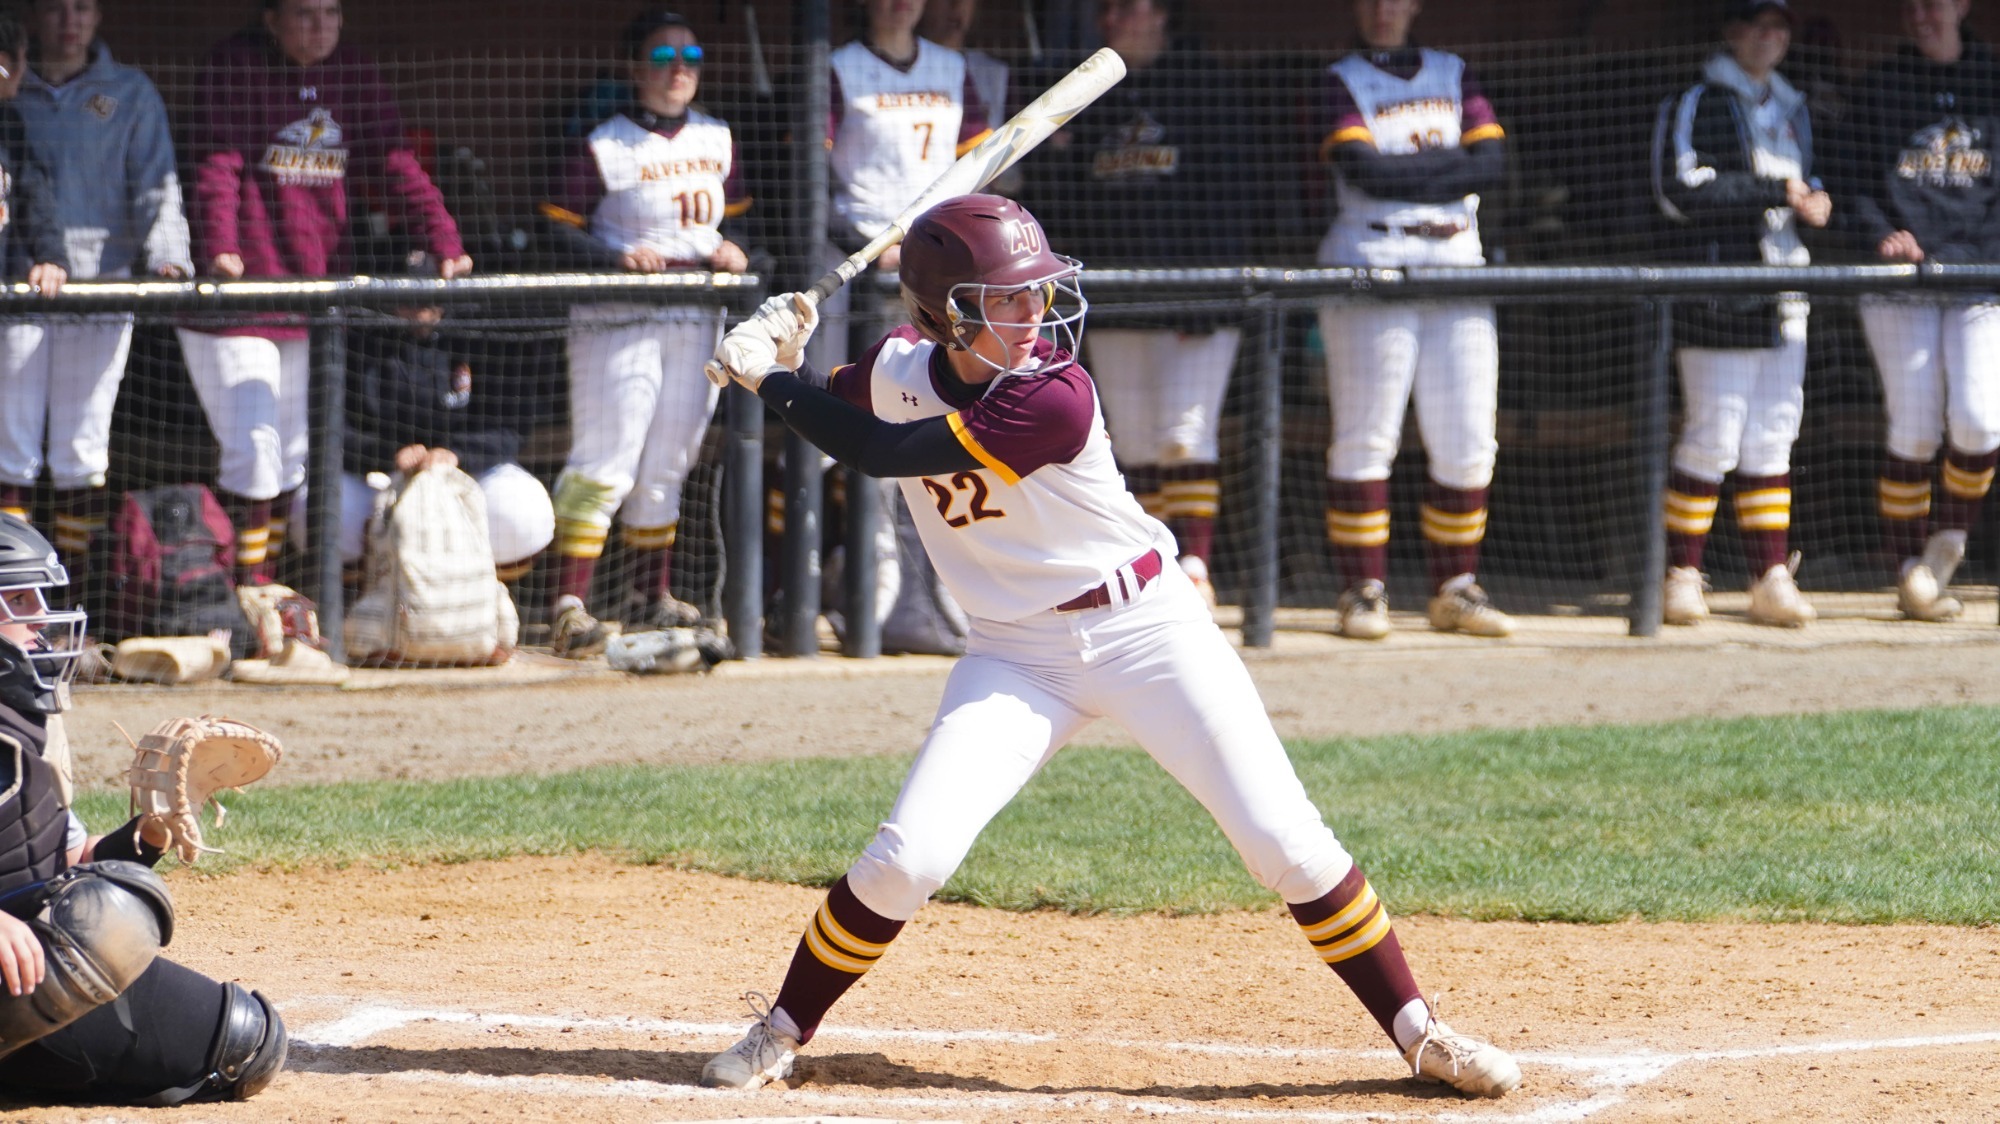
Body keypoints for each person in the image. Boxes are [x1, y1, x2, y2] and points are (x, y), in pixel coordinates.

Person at [698, 195, 1521, 1099]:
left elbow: (877, 453)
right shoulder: (898, 365)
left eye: (1036, 293)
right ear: (943, 311)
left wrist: (767, 381)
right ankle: (780, 1029)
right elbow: (852, 399)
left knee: (1284, 842)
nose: (1033, 314)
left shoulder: (1053, 393)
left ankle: (1421, 1034)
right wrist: (789, 355)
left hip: (1147, 630)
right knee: (907, 857)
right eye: (1003, 299)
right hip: (1014, 654)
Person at [179, 0, 471, 589]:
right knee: (254, 450)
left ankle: (274, 591)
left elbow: (395, 163)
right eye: (305, 15)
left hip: (311, 291)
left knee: (290, 455)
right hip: (239, 298)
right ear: (271, 19)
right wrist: (220, 245)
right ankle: (250, 597)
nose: (321, 27)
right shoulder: (235, 66)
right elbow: (218, 165)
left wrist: (442, 237)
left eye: (331, 14)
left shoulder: (354, 72)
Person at [0, 514, 287, 1105]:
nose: (38, 619)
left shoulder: (27, 725)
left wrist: (150, 832)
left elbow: (62, 861)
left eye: (38, 597)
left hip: (23, 965)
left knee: (246, 1039)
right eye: (17, 599)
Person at [537, 8, 750, 656]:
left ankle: (645, 595)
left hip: (694, 310)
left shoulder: (717, 136)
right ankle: (568, 606)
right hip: (619, 312)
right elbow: (554, 223)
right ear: (635, 69)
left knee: (670, 457)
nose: (678, 70)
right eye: (662, 58)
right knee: (609, 455)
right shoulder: (606, 141)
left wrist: (734, 249)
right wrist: (612, 255)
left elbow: (735, 221)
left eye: (689, 58)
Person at [1031, 0, 1250, 609]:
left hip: (1194, 302)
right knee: (1132, 441)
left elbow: (1237, 196)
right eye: (1106, 10)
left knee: (1186, 435)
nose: (1112, 19)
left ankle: (1197, 566)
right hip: (1119, 296)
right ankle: (1157, 565)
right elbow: (1067, 199)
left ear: (1163, 17)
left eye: (1129, 8)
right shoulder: (1093, 92)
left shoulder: (1207, 90)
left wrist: (1206, 295)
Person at [1314, 0, 1511, 640]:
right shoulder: (1338, 76)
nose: (1381, 10)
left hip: (1457, 255)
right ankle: (1362, 590)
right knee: (1368, 434)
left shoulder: (1454, 71)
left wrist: (1411, 176)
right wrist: (1446, 171)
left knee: (1468, 437)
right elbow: (1362, 170)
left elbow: (1492, 163)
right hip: (1370, 257)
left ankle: (1454, 589)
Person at [1651, 0, 1829, 627]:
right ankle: (1681, 575)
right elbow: (1677, 192)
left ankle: (1769, 576)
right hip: (1720, 290)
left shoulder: (1795, 106)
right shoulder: (1698, 99)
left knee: (1774, 435)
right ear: (1729, 32)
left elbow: (1812, 178)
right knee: (1714, 433)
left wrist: (1816, 201)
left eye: (1779, 25)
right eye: (1756, 23)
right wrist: (1773, 191)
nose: (1768, 36)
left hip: (1787, 287)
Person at [1, 0, 177, 608]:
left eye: (81, 8)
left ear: (99, 16)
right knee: (11, 448)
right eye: (56, 9)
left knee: (81, 450)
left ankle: (70, 606)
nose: (69, 20)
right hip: (19, 290)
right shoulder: (11, 92)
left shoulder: (128, 91)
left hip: (100, 285)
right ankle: (15, 601)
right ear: (33, 21)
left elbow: (158, 181)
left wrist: (166, 257)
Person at [1835, 0, 2000, 622]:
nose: (1921, 15)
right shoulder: (1880, 84)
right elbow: (1846, 182)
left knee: (1981, 422)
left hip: (1979, 276)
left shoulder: (1992, 81)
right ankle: (1908, 572)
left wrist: (1957, 254)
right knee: (1914, 426)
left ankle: (1946, 547)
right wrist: (1883, 236)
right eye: (1911, 6)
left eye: (1935, 3)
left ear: (1962, 7)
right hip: (1898, 278)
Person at [339, 299, 554, 595]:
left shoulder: (481, 327)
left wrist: (457, 453)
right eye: (410, 294)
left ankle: (480, 605)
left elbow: (511, 424)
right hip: (383, 473)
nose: (418, 306)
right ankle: (371, 606)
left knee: (520, 513)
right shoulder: (359, 332)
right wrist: (390, 453)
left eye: (430, 294)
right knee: (332, 508)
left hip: (466, 471)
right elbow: (335, 429)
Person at [0, 9, 73, 519]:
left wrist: (49, 256)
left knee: (12, 445)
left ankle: (12, 584)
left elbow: (33, 195)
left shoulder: (10, 125)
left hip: (7, 304)